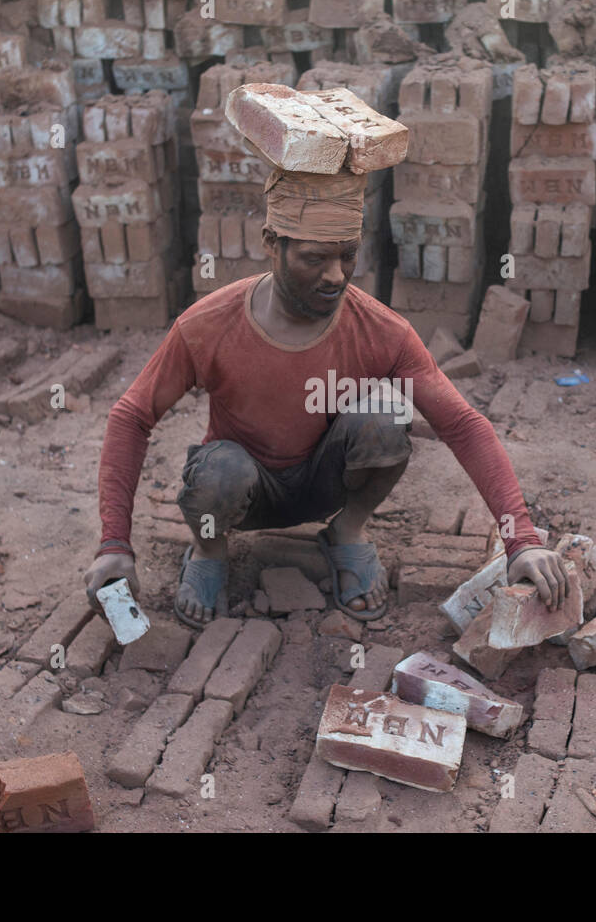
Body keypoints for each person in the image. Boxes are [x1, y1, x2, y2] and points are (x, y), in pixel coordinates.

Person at [83, 124, 568, 629]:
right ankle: (208, 551)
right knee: (220, 470)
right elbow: (131, 416)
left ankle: (347, 532)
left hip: (327, 481)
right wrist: (114, 543)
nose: (336, 274)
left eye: (347, 254)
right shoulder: (208, 326)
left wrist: (522, 541)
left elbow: (464, 426)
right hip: (241, 492)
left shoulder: (382, 331)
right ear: (273, 243)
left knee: (384, 415)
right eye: (315, 258)